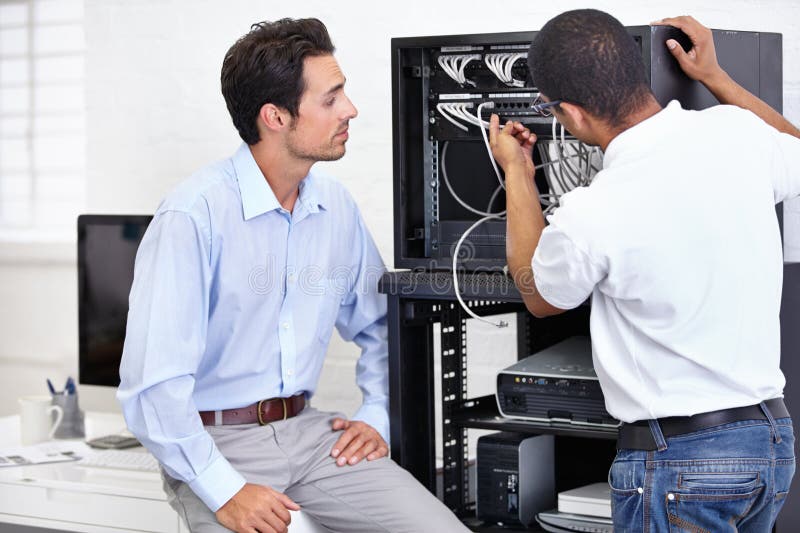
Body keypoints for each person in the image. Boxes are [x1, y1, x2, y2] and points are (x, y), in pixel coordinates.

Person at [117, 18, 469, 533]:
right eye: (331, 99)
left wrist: (376, 415)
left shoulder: (335, 207)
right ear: (275, 117)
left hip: (310, 433)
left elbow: (381, 327)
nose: (350, 109)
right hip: (216, 446)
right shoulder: (193, 216)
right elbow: (153, 387)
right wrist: (225, 490)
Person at [489, 9, 800, 532]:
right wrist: (715, 77)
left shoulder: (594, 211)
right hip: (769, 443)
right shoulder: (737, 132)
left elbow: (539, 294)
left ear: (570, 113)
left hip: (680, 461)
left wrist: (518, 174)